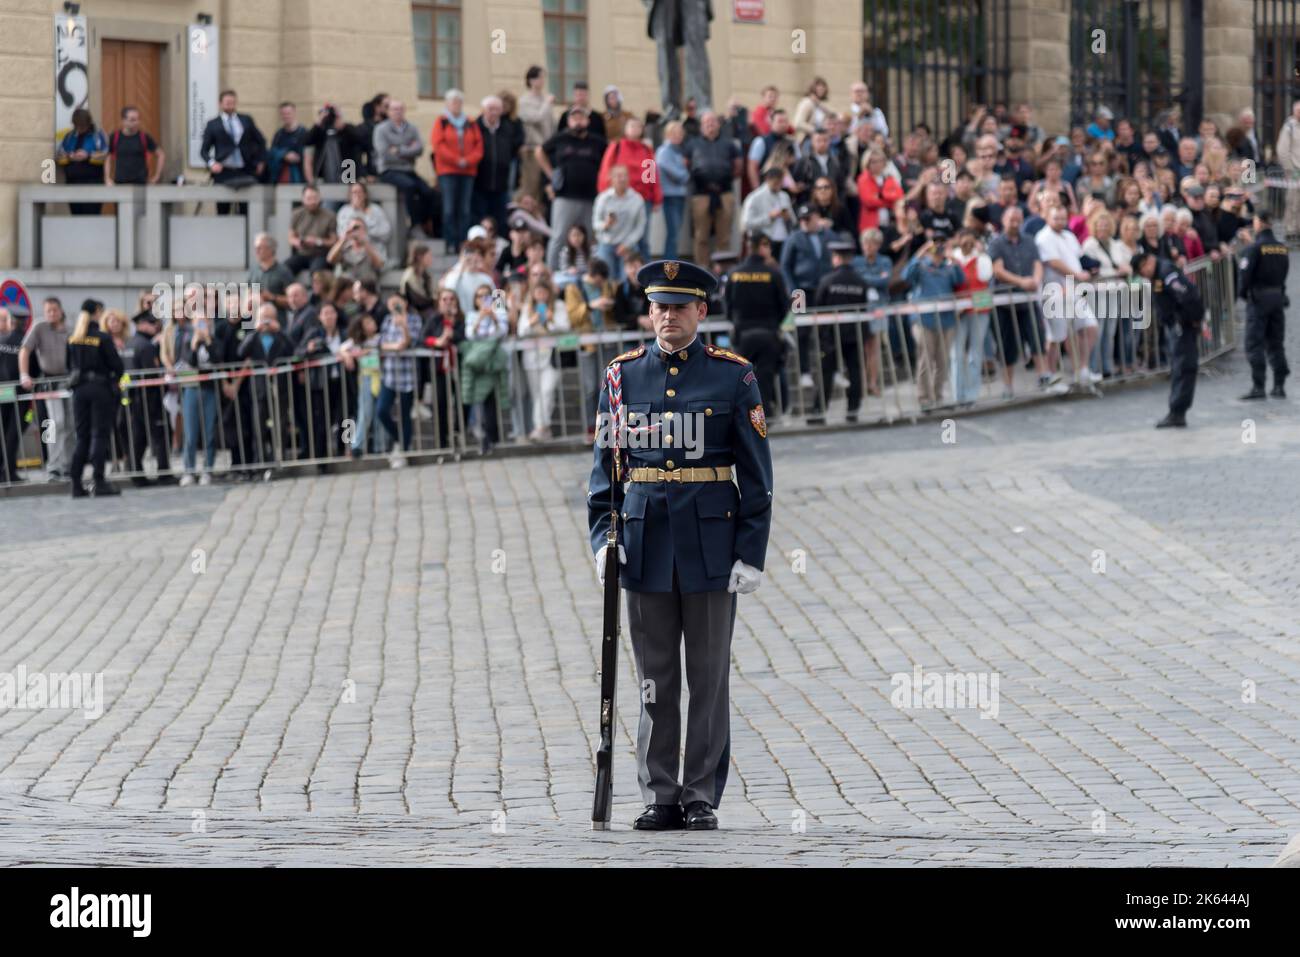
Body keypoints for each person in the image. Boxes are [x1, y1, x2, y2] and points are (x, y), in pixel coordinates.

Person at [586, 257, 773, 831]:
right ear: (648, 312)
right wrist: (603, 539)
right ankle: (660, 792)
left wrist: (751, 551)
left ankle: (699, 796)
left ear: (702, 311)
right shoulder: (621, 377)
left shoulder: (733, 376)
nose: (668, 315)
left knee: (708, 677)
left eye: (679, 306)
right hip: (643, 544)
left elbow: (757, 472)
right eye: (659, 306)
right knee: (654, 679)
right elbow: (604, 474)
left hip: (712, 545)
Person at [1133, 251, 1203, 428]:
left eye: (1143, 269)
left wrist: (1191, 318)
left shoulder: (1165, 272)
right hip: (1176, 326)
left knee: (1183, 367)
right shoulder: (1159, 272)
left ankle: (1177, 411)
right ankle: (1176, 410)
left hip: (1182, 326)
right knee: (1179, 366)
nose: (1144, 274)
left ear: (1149, 260)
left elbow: (1187, 294)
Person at [64, 300, 125, 497]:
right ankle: (99, 481)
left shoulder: (73, 338)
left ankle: (76, 483)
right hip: (100, 389)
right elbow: (117, 366)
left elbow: (69, 366)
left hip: (79, 391)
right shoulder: (102, 338)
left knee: (82, 437)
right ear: (97, 312)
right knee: (99, 434)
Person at [813, 240, 869, 421]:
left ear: (836, 258)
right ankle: (852, 411)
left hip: (830, 335)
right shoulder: (860, 281)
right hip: (854, 334)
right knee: (855, 372)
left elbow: (818, 306)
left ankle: (819, 412)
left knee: (826, 373)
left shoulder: (827, 280)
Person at [1237, 210, 1290, 400]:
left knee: (1254, 343)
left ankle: (1258, 386)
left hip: (1258, 300)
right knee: (1276, 344)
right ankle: (1279, 385)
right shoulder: (1282, 247)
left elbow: (1244, 276)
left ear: (1258, 223)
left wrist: (1244, 295)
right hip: (1277, 298)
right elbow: (1284, 274)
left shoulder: (1253, 249)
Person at [18, 297, 71, 480]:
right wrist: (24, 374)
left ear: (61, 310)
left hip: (68, 379)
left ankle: (68, 463)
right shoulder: (40, 327)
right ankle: (53, 465)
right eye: (48, 310)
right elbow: (25, 349)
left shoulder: (68, 329)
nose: (51, 314)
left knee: (70, 424)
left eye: (54, 310)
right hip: (49, 381)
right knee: (56, 422)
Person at [122, 306, 173, 485]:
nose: (156, 326)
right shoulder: (146, 346)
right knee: (159, 435)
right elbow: (153, 374)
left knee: (139, 437)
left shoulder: (129, 344)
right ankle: (164, 473)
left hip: (133, 398)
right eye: (152, 323)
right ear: (142, 325)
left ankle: (136, 473)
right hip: (150, 399)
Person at [685, 112, 742, 266]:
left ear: (718, 124)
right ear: (701, 126)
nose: (710, 124)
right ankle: (702, 270)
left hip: (724, 194)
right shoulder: (692, 144)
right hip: (701, 195)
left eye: (713, 121)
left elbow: (738, 166)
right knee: (701, 236)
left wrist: (722, 180)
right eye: (706, 122)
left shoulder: (729, 144)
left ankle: (721, 270)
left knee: (724, 236)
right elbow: (685, 166)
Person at [516, 276, 569, 441]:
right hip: (532, 358)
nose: (540, 296)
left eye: (543, 292)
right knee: (538, 395)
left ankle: (539, 427)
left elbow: (565, 327)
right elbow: (521, 331)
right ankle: (544, 428)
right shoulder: (528, 308)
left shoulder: (558, 306)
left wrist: (551, 320)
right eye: (537, 292)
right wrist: (532, 322)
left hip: (553, 357)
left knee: (547, 391)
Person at [431, 91, 483, 253]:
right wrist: (456, 160)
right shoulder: (442, 121)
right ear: (447, 104)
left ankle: (463, 242)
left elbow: (478, 146)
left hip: (467, 171)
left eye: (458, 102)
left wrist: (468, 160)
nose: (456, 105)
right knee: (449, 208)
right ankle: (450, 241)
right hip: (448, 170)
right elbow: (438, 145)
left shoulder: (470, 122)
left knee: (464, 209)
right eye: (453, 102)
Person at [200, 90, 266, 214]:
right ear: (220, 104)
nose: (230, 105)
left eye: (233, 102)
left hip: (244, 170)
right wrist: (212, 163)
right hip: (224, 172)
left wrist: (260, 161)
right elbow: (204, 151)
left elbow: (261, 141)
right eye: (227, 103)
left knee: (246, 209)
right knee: (223, 209)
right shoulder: (213, 124)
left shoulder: (246, 120)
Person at [591, 164, 647, 279]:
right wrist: (605, 224)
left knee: (628, 278)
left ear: (629, 178)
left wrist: (627, 244)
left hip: (628, 245)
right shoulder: (603, 198)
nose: (622, 179)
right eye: (618, 176)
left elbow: (640, 227)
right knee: (606, 279)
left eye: (624, 176)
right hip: (607, 243)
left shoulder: (637, 199)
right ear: (611, 179)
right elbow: (595, 223)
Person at [56, 108, 108, 214]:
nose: (80, 129)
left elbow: (105, 155)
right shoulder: (69, 136)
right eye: (77, 126)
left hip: (93, 182)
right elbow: (59, 155)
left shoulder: (98, 135)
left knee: (92, 215)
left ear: (88, 123)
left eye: (82, 126)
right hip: (72, 182)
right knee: (75, 214)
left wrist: (87, 155)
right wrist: (69, 156)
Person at [740, 166, 795, 261]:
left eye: (780, 183)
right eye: (776, 183)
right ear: (767, 180)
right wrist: (769, 217)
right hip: (765, 242)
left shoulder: (784, 196)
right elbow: (746, 223)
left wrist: (788, 218)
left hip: (784, 241)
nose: (778, 186)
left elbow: (794, 221)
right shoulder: (754, 198)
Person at [655, 121, 691, 259]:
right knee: (673, 233)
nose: (678, 135)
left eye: (680, 133)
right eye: (674, 133)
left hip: (679, 196)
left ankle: (671, 262)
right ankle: (669, 265)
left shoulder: (677, 151)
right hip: (670, 196)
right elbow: (676, 173)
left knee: (675, 233)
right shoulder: (664, 151)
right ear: (668, 134)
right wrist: (686, 174)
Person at [0, 308, 28, 483]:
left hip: (3, 391)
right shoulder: (25, 341)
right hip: (19, 392)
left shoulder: (3, 340)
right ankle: (9, 470)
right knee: (13, 433)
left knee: (3, 432)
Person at [104, 106, 164, 187]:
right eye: (132, 120)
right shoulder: (114, 137)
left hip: (141, 183)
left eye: (137, 119)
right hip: (120, 183)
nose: (136, 122)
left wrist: (157, 176)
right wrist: (107, 178)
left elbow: (161, 154)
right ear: (123, 121)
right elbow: (107, 157)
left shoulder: (144, 137)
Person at [286, 184, 337, 275]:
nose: (312, 202)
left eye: (315, 198)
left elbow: (334, 241)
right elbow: (291, 238)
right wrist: (299, 242)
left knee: (316, 272)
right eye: (309, 198)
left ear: (319, 198)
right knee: (284, 270)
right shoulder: (296, 214)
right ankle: (293, 289)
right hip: (302, 253)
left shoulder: (329, 216)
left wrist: (318, 241)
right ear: (303, 199)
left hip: (320, 254)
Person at [268, 101, 310, 184]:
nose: (286, 116)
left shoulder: (304, 133)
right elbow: (272, 152)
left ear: (294, 113)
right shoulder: (279, 134)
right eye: (283, 114)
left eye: (288, 113)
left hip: (300, 176)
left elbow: (308, 156)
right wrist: (284, 155)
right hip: (281, 176)